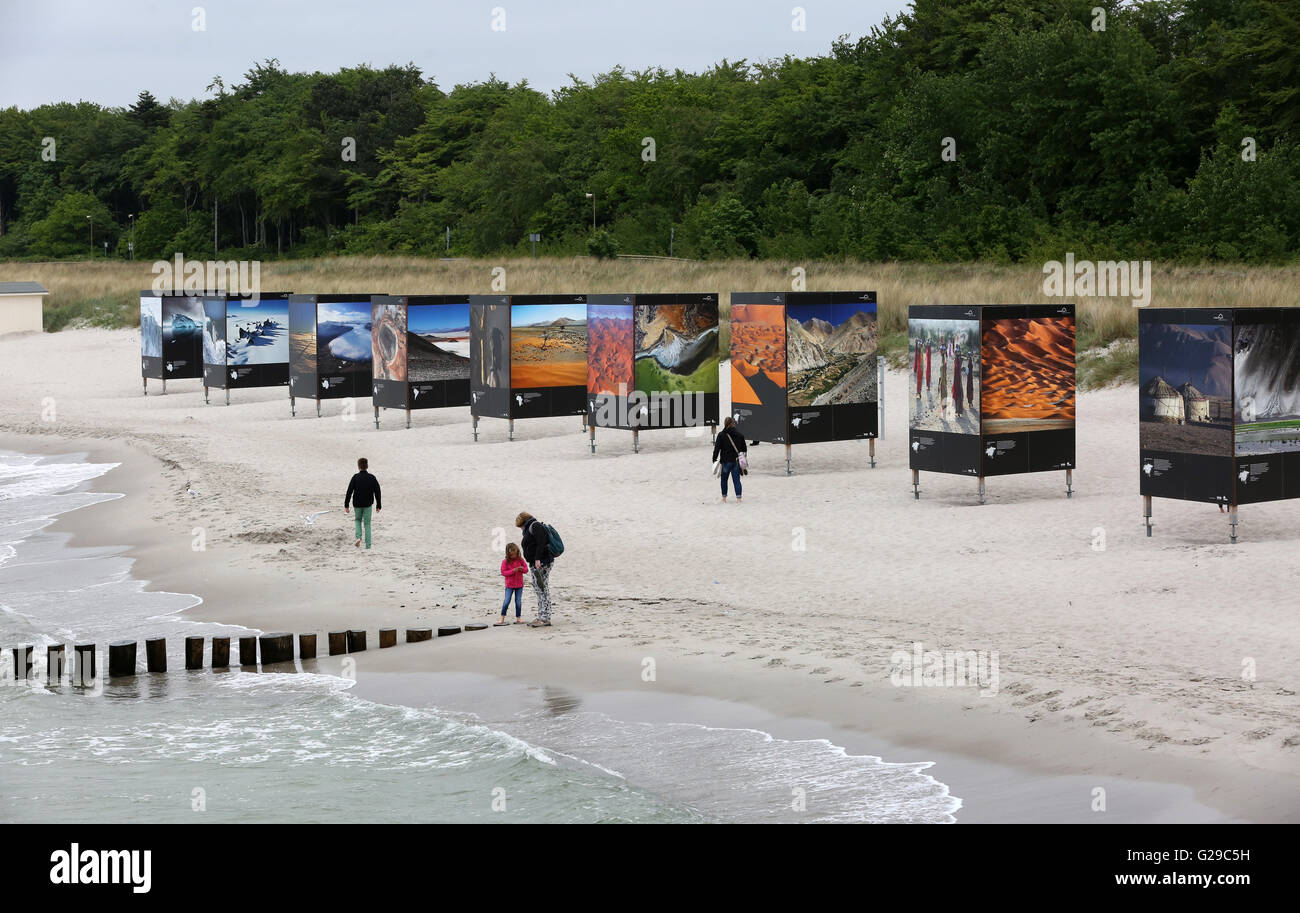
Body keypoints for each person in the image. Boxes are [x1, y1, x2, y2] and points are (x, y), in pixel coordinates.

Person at [517, 511, 555, 627]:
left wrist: (537, 559)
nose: (521, 528)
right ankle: (541, 616)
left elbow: (541, 543)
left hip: (542, 562)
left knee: (542, 589)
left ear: (523, 522)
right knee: (539, 589)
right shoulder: (530, 528)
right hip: (536, 563)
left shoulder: (535, 526)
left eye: (520, 526)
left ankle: (545, 617)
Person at [344, 457, 381, 549]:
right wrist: (378, 505)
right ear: (367, 466)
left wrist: (346, 505)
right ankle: (368, 545)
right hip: (368, 504)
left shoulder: (355, 477)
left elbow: (349, 491)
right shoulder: (372, 478)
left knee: (357, 520)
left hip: (357, 504)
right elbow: (377, 491)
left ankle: (358, 537)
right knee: (367, 524)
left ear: (358, 466)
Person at [713, 416, 748, 503]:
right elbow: (744, 449)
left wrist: (714, 458)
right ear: (733, 424)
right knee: (736, 480)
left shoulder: (721, 435)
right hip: (736, 461)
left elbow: (717, 448)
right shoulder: (739, 435)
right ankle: (739, 498)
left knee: (724, 480)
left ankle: (724, 498)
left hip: (725, 461)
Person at [496, 542, 529, 625]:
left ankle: (518, 618)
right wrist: (513, 571)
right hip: (509, 585)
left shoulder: (520, 559)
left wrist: (522, 569)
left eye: (515, 554)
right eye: (512, 555)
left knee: (518, 601)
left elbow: (526, 570)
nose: (514, 556)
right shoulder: (505, 561)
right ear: (508, 554)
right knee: (507, 601)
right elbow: (503, 572)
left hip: (519, 585)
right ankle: (502, 617)